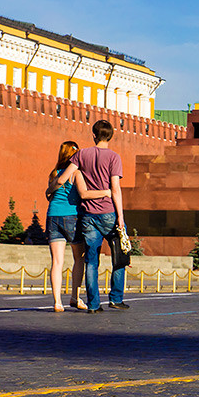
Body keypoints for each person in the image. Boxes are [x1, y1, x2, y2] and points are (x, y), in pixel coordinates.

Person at [67, 119, 128, 313]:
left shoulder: (81, 154)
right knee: (119, 255)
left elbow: (68, 177)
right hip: (109, 212)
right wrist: (120, 217)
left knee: (91, 261)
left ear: (93, 135)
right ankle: (115, 298)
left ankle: (93, 304)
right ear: (110, 136)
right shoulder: (114, 157)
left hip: (88, 215)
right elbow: (115, 189)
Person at [45, 140, 91, 313]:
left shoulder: (54, 173)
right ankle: (75, 297)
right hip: (72, 217)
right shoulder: (76, 173)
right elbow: (83, 194)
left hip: (52, 216)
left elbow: (51, 193)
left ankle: (57, 302)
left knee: (56, 262)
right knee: (79, 258)